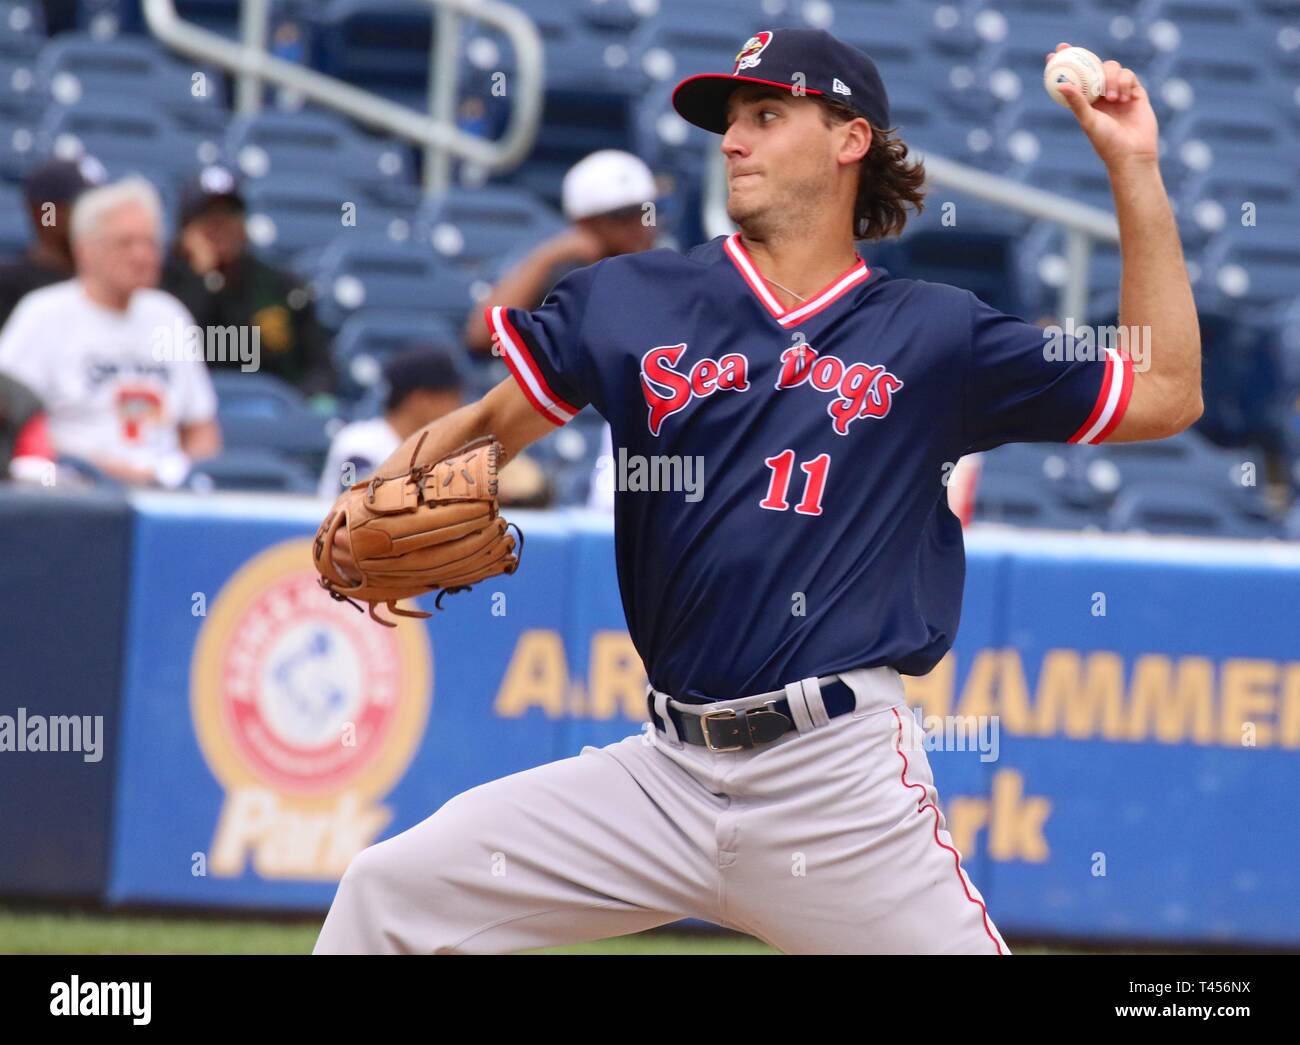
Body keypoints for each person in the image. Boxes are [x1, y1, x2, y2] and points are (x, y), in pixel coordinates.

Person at [312, 30, 1201, 954]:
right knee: (387, 897)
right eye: (730, 122)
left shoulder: (937, 336)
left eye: (767, 115)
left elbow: (1167, 389)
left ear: (850, 139)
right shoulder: (631, 299)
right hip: (661, 778)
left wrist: (1133, 166)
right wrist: (366, 498)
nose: (733, 140)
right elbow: (488, 431)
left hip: (839, 786)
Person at [0, 177, 221, 488]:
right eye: (126, 242)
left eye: (150, 242)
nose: (142, 255)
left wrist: (187, 475)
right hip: (73, 492)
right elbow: (11, 417)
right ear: (85, 251)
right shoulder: (43, 313)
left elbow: (202, 430)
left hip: (163, 492)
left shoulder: (170, 314)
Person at [161, 164, 337, 400]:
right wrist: (206, 278)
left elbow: (319, 365)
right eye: (209, 218)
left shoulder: (278, 284)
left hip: (269, 410)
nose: (221, 227)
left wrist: (305, 401)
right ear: (185, 229)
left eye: (229, 215)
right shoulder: (161, 283)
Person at [460, 149, 659, 356]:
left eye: (647, 211)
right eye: (623, 215)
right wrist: (547, 257)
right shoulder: (562, 276)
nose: (640, 225)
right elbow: (482, 338)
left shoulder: (665, 271)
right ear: (586, 223)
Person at [318, 347, 465, 498]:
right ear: (420, 400)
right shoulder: (361, 443)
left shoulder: (438, 450)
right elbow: (353, 508)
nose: (459, 407)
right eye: (452, 398)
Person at [0, 156, 105, 327]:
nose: (94, 217)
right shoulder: (7, 286)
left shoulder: (105, 283)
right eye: (84, 206)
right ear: (47, 213)